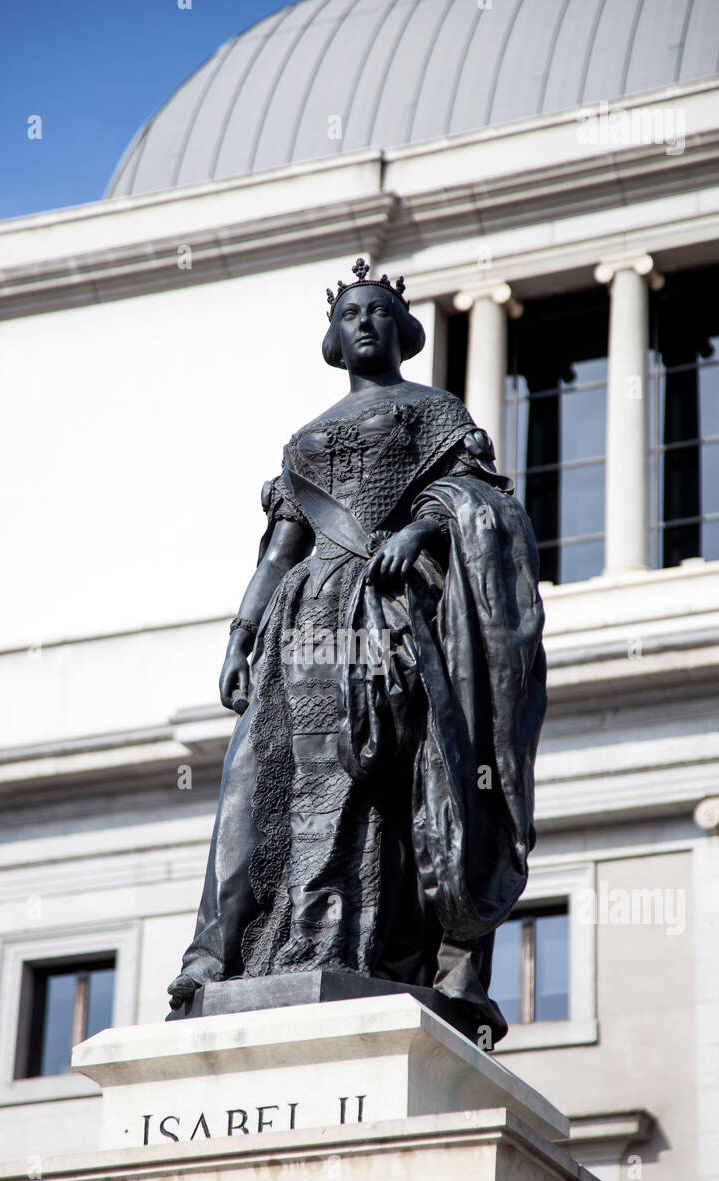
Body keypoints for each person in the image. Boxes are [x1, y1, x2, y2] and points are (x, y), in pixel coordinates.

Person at [167, 258, 546, 1043]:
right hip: (302, 622)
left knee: (371, 775)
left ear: (402, 331)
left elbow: (483, 502)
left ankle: (368, 945)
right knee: (266, 774)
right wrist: (241, 637)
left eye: (379, 312)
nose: (365, 321)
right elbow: (278, 553)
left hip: (387, 621)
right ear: (334, 338)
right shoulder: (304, 441)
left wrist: (422, 525)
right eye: (351, 314)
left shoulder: (434, 414)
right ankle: (235, 952)